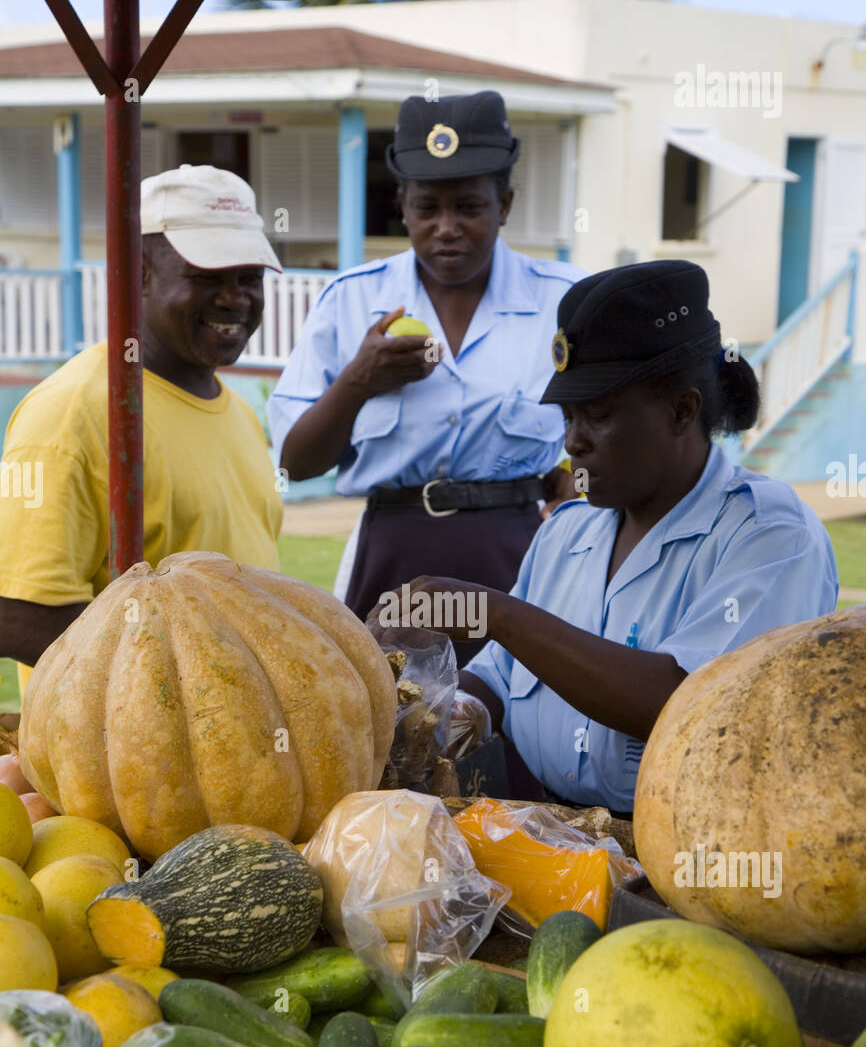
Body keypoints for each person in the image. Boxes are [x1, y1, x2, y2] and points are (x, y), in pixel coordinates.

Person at [385, 260, 839, 813]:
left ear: (681, 409)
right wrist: (456, 712)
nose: (574, 442)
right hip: (552, 833)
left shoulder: (769, 535)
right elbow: (501, 678)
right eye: (568, 417)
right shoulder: (568, 532)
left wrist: (495, 612)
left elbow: (687, 702)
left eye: (597, 415)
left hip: (694, 852)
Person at [268, 90, 584, 660]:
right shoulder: (352, 300)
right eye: (426, 208)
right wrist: (358, 381)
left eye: (468, 206)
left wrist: (571, 482)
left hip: (517, 554)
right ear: (402, 206)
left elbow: (602, 429)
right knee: (388, 728)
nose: (446, 228)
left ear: (504, 204)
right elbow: (296, 462)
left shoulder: (564, 301)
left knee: (514, 723)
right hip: (393, 552)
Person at [0, 165, 283, 689]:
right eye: (207, 277)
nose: (235, 298)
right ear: (139, 275)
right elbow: (18, 614)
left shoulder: (239, 413)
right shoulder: (72, 413)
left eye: (249, 278)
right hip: (128, 761)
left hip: (244, 751)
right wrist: (186, 686)